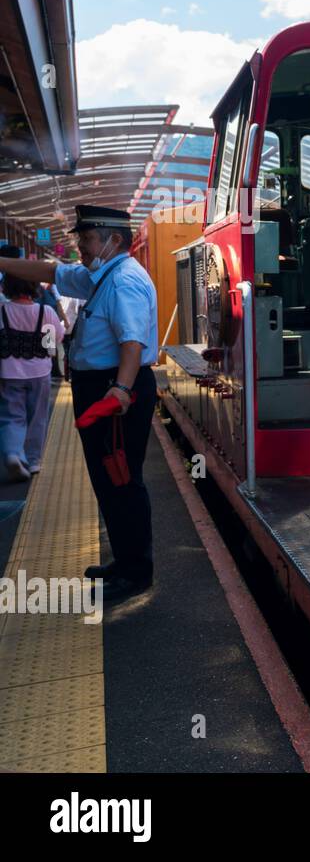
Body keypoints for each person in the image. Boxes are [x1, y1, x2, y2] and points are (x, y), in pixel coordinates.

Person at [0, 205, 159, 600]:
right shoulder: (100, 276)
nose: (80, 248)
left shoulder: (123, 281)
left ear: (113, 240)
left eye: (86, 240)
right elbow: (52, 273)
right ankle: (123, 561)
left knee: (121, 478)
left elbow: (133, 342)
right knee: (108, 480)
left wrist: (121, 390)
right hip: (102, 388)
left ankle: (136, 572)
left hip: (115, 392)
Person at [0, 272, 63, 479]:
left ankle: (12, 453)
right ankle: (33, 460)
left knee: (12, 416)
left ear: (6, 287)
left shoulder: (1, 311)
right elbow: (53, 341)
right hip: (40, 372)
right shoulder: (46, 312)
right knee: (38, 417)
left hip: (9, 373)